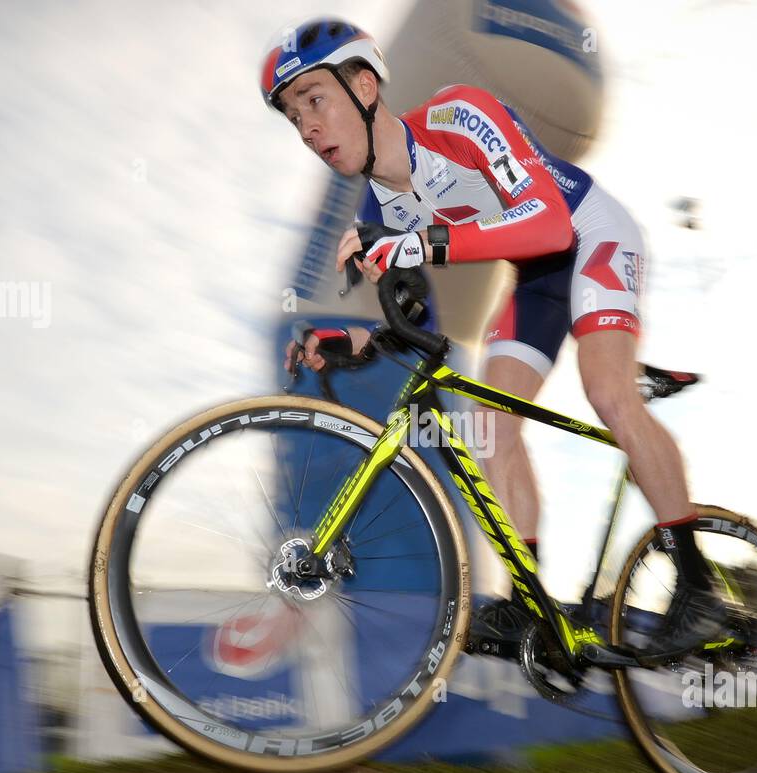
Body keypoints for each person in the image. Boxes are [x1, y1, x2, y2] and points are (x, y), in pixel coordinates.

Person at [261, 18, 727, 663]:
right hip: (534, 280)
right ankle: (527, 601)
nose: (307, 126)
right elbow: (415, 326)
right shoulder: (377, 208)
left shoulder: (458, 112)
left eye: (315, 100)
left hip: (589, 234)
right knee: (490, 426)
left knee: (609, 395)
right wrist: (344, 342)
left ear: (365, 85)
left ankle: (700, 590)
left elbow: (547, 225)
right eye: (293, 115)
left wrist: (423, 242)